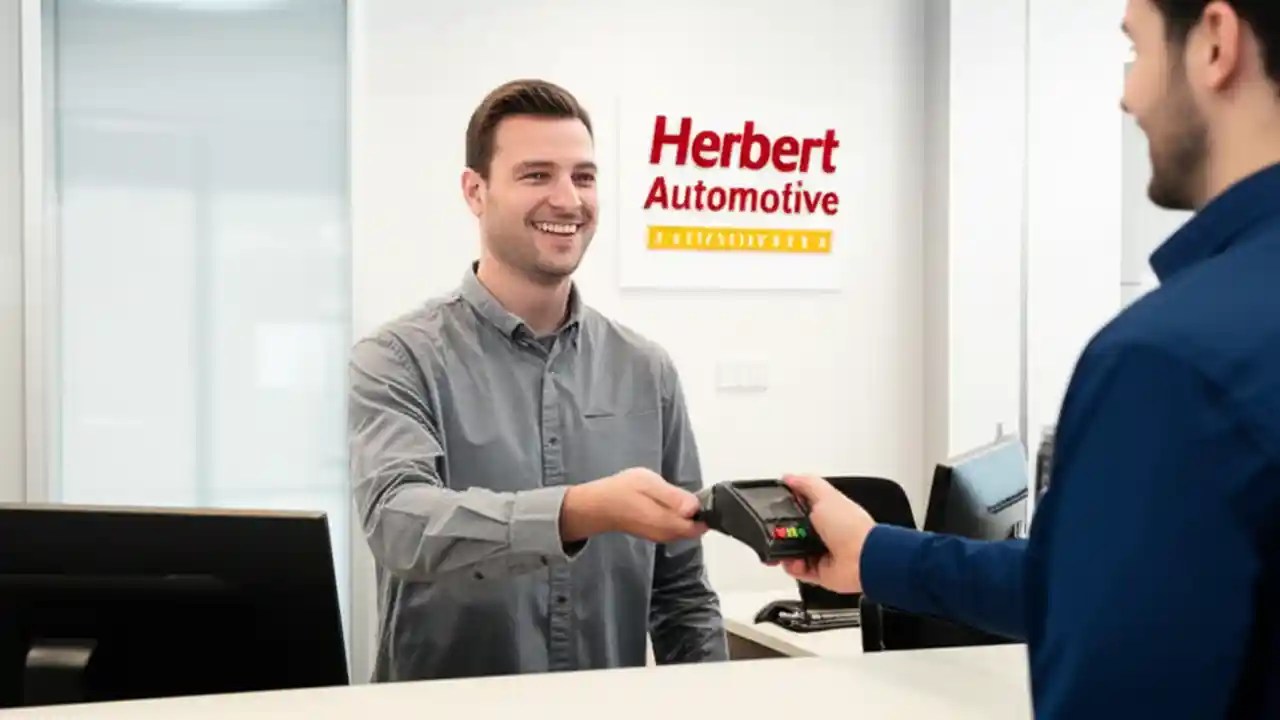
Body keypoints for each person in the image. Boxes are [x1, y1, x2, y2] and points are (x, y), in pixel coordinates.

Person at [778, 0, 1280, 716]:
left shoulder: (1171, 361)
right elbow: (1105, 580)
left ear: (1216, 43)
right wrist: (876, 555)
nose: (1126, 96)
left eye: (1134, 53)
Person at [348, 78, 727, 682]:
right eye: (536, 175)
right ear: (476, 191)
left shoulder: (645, 370)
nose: (567, 199)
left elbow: (681, 593)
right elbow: (400, 524)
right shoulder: (397, 357)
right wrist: (579, 510)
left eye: (583, 176)